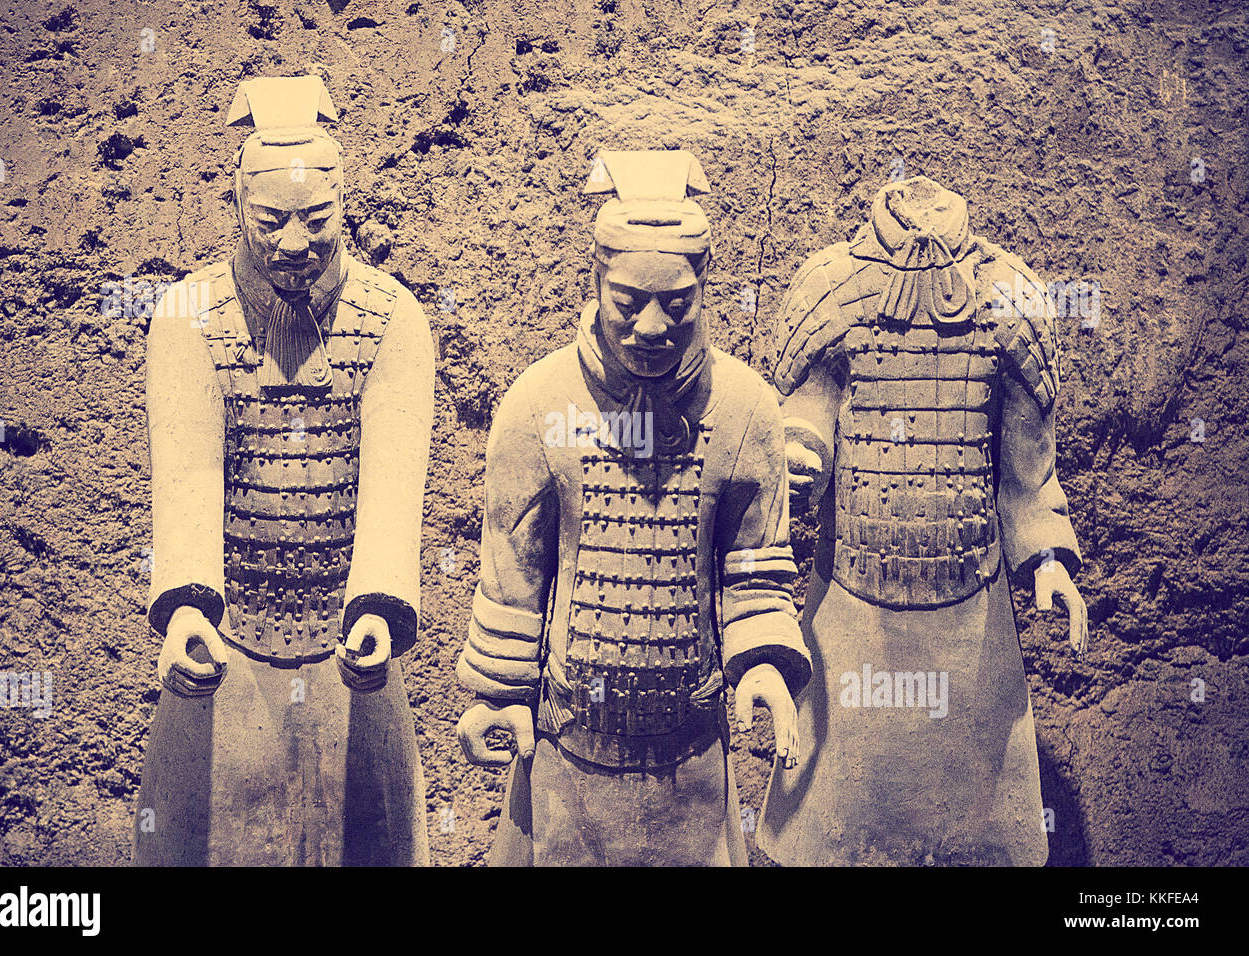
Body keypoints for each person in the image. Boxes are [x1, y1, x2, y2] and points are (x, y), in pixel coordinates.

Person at [454, 150, 811, 865]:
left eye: (676, 305)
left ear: (704, 288)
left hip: (692, 753)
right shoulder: (540, 403)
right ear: (595, 282)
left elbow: (754, 564)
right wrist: (500, 691)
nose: (651, 326)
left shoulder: (745, 407)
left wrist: (764, 662)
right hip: (567, 746)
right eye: (627, 302)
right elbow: (515, 571)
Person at [134, 77, 432, 866]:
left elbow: (393, 490)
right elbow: (188, 476)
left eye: (316, 218)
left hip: (353, 660)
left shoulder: (393, 319)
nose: (295, 241)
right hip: (224, 651)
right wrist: (187, 608)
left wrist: (377, 608)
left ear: (345, 203)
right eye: (271, 220)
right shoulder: (187, 316)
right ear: (237, 206)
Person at [757, 175, 1088, 866]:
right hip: (852, 609)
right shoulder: (833, 285)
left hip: (972, 619)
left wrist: (1049, 558)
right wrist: (801, 450)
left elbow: (1026, 469)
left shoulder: (1008, 294)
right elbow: (810, 409)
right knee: (834, 831)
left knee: (977, 838)